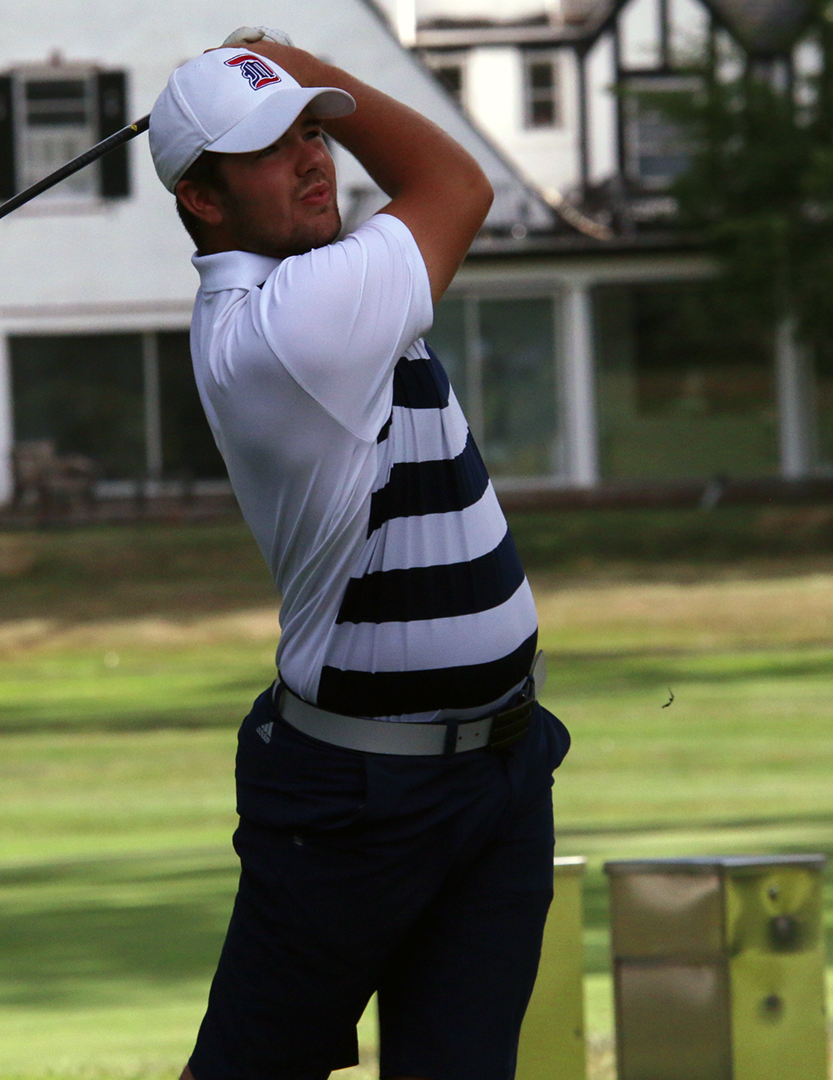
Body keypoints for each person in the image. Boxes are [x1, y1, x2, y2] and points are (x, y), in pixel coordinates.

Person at [147, 28, 572, 1080]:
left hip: (497, 774)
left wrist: (293, 87)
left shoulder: (325, 279)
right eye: (270, 147)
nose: (312, 158)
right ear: (202, 198)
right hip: (362, 800)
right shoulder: (292, 323)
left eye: (312, 132)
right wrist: (308, 63)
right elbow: (457, 184)